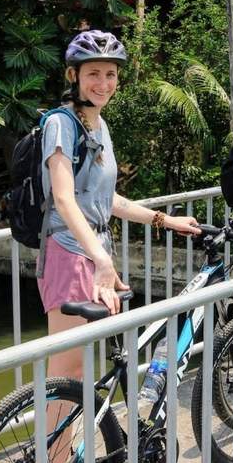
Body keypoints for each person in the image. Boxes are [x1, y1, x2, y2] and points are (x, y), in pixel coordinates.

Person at [39, 29, 201, 384]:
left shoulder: (100, 125)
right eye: (93, 73)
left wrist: (165, 220)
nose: (103, 83)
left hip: (94, 253)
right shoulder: (59, 124)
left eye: (110, 74)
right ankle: (53, 443)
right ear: (74, 75)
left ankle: (73, 441)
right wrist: (101, 259)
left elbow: (107, 200)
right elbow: (65, 199)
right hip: (69, 254)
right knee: (67, 373)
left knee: (85, 369)